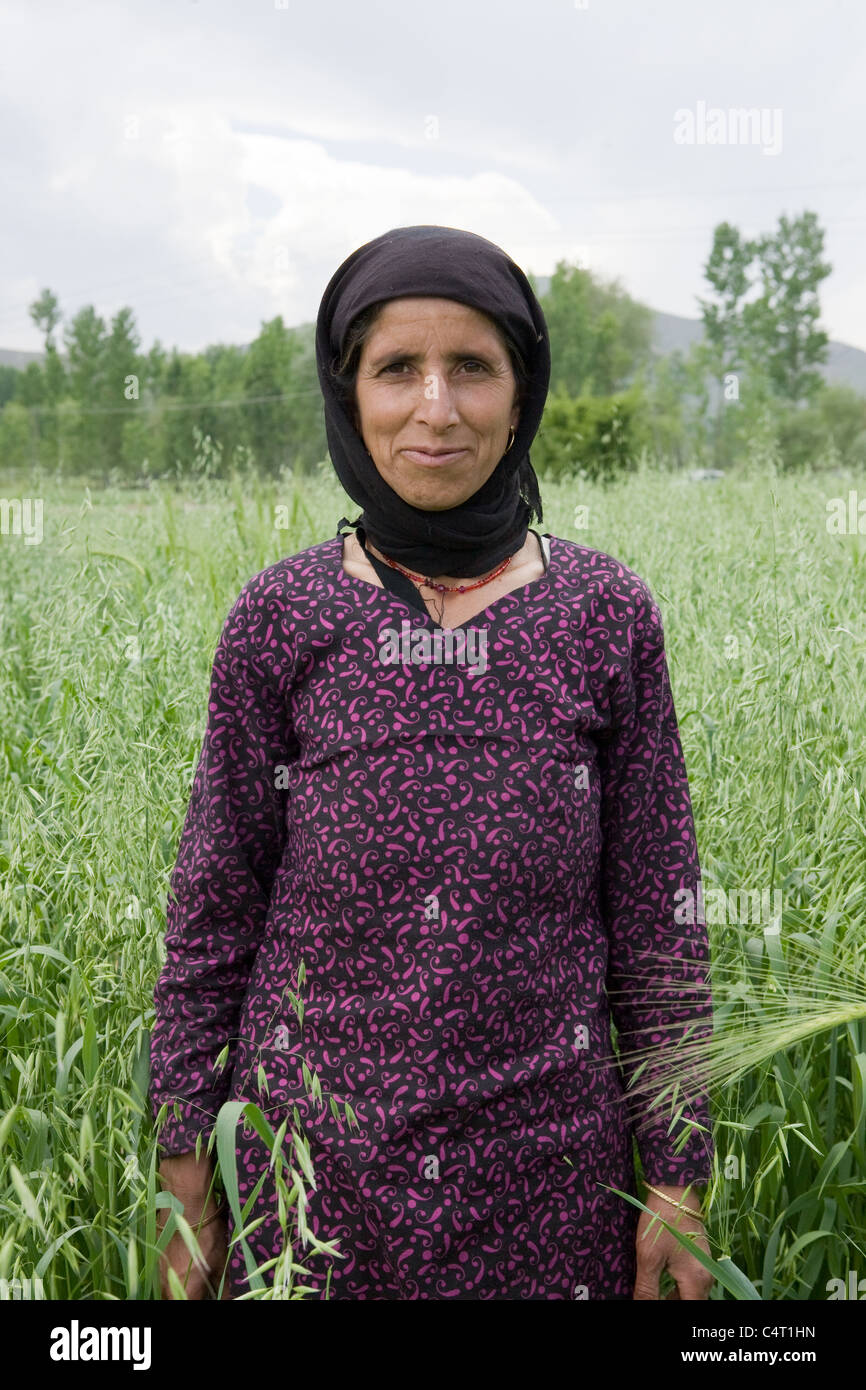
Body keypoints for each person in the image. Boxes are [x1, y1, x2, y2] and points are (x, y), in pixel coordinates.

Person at [149, 224, 714, 1301]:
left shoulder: (603, 615)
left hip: (549, 1182)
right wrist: (187, 1157)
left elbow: (658, 914)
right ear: (348, 392)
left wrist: (677, 1178)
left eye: (472, 368)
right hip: (309, 1179)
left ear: (522, 389)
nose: (435, 407)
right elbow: (215, 904)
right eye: (396, 368)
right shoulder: (283, 616)